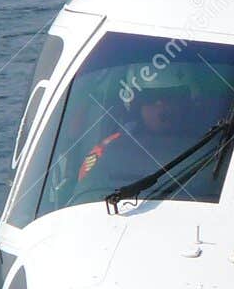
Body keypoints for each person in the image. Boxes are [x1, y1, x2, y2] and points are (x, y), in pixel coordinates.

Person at [75, 64, 206, 200]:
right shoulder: (106, 150)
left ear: (187, 102)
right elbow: (84, 201)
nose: (161, 106)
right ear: (135, 104)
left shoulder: (210, 149)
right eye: (149, 97)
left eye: (171, 96)